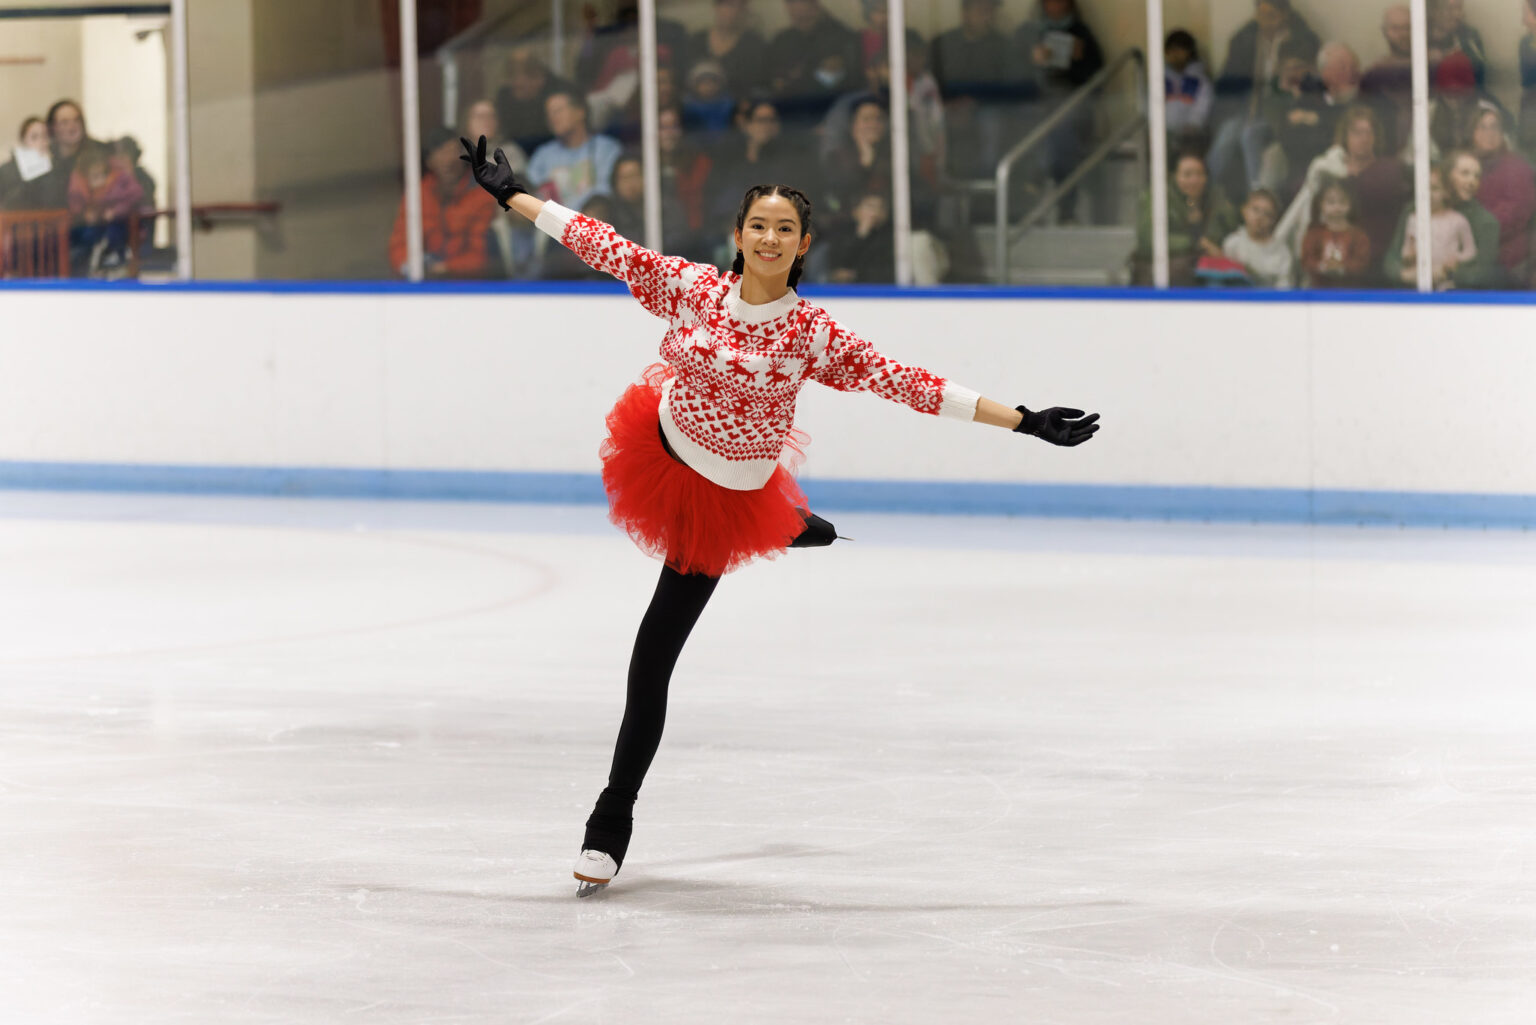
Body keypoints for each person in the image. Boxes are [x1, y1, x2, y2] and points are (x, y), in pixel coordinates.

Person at [457, 134, 1100, 897]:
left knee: (658, 646)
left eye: (785, 228)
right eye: (758, 224)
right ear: (739, 234)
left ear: (803, 245)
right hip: (666, 456)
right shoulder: (690, 287)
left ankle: (613, 811)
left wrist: (1022, 419)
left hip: (730, 496)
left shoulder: (812, 334)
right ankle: (784, 531)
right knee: (670, 636)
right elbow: (605, 245)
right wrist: (512, 196)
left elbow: (909, 382)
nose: (769, 237)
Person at [1276, 105, 1410, 272]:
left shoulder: (1388, 168)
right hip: (1327, 256)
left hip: (1373, 259)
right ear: (1345, 136)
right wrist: (1321, 171)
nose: (1364, 138)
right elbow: (1302, 189)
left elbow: (1372, 191)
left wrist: (1337, 178)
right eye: (1357, 132)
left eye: (1369, 132)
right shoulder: (1330, 165)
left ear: (1376, 137)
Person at [1208, 0, 1320, 199]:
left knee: (1250, 136)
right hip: (1247, 105)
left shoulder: (1302, 40)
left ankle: (1256, 198)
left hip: (1280, 107)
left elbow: (1306, 82)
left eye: (1271, 16)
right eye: (1260, 15)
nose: (1264, 22)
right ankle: (1205, 192)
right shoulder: (1244, 39)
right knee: (1225, 138)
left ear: (1285, 15)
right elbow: (1229, 82)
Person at [1016, 0, 1104, 223]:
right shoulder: (1028, 32)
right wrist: (1031, 60)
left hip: (1070, 106)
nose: (1055, 5)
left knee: (1062, 134)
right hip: (1032, 105)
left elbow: (1096, 80)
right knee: (1056, 138)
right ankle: (1062, 210)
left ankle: (1039, 176)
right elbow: (1007, 72)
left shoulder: (1081, 33)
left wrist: (1078, 60)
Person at [387, 127, 497, 279]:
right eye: (440, 153)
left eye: (452, 152)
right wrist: (411, 265)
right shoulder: (419, 194)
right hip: (424, 280)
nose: (447, 160)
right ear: (429, 161)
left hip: (470, 283)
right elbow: (400, 243)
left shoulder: (481, 195)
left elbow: (481, 256)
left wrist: (446, 268)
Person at [1384, 149, 1501, 288]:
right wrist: (1406, 275)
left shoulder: (1486, 222)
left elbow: (1482, 274)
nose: (1472, 181)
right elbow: (1391, 261)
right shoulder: (1415, 210)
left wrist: (1445, 274)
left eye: (1477, 176)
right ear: (1446, 176)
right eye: (1465, 173)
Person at [929, 0, 1016, 182]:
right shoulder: (942, 43)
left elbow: (1010, 87)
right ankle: (936, 179)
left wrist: (976, 102)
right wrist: (949, 104)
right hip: (946, 106)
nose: (986, 16)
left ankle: (988, 180)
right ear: (965, 13)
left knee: (991, 119)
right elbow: (928, 83)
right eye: (980, 10)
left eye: (989, 10)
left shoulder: (1002, 45)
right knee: (930, 117)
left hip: (985, 107)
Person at [1132, 150, 1239, 286]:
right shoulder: (1158, 197)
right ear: (1174, 176)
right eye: (1187, 175)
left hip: (1206, 269)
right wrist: (1197, 243)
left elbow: (1230, 228)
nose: (1194, 180)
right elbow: (1148, 241)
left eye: (1199, 174)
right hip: (1165, 273)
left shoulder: (1215, 197)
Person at [1468, 105, 1536, 281]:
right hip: (1468, 257)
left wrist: (1473, 231)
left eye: (1494, 127)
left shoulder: (1517, 167)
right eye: (1482, 127)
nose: (1489, 133)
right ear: (1472, 133)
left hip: (1508, 262)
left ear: (1502, 133)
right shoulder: (1464, 165)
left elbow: (1515, 213)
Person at [525, 89, 622, 211]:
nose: (552, 117)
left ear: (580, 112)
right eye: (548, 113)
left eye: (558, 111)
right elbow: (530, 195)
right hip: (551, 221)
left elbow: (606, 193)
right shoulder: (542, 155)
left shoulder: (606, 148)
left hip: (593, 221)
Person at [1394, 166, 1476, 289]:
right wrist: (1409, 255)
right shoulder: (1413, 219)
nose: (1429, 194)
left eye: (1435, 188)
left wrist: (1457, 259)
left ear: (1446, 192)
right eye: (1424, 188)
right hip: (1419, 280)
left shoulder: (1457, 220)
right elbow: (1406, 247)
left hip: (1446, 280)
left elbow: (1470, 251)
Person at [66, 144, 144, 273]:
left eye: (101, 174)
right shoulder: (83, 187)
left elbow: (135, 195)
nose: (99, 179)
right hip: (99, 224)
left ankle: (116, 257)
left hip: (122, 223)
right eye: (94, 176)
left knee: (114, 233)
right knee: (87, 235)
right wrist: (88, 214)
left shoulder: (120, 180)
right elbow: (79, 205)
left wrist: (116, 212)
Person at [494, 47, 576, 157]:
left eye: (522, 77)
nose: (516, 83)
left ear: (539, 77)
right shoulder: (505, 97)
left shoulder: (561, 92)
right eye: (512, 75)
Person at [1360, 4, 1415, 156]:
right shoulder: (1374, 74)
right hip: (1386, 154)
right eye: (1396, 28)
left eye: (1408, 27)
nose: (1403, 34)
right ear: (1385, 32)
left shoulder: (1433, 67)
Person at [1300, 176, 1372, 288]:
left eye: (1342, 202)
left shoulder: (1358, 235)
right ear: (1321, 204)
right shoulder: (1314, 234)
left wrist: (1342, 267)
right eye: (1331, 202)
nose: (1337, 207)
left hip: (1350, 291)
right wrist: (1322, 266)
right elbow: (1306, 260)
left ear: (1351, 204)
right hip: (1318, 291)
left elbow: (1363, 263)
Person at [686, 0, 768, 98]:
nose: (733, 12)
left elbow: (757, 86)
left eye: (739, 7)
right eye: (729, 5)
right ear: (717, 7)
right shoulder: (697, 41)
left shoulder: (754, 44)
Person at [1222, 188, 1293, 288]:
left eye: (1267, 214)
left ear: (1274, 220)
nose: (1260, 217)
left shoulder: (1282, 253)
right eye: (1255, 210)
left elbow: (1285, 288)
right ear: (1244, 210)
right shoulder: (1233, 244)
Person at [1163, 30, 1214, 162]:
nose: (1175, 54)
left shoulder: (1200, 80)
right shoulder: (1160, 79)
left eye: (1179, 50)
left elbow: (1204, 105)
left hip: (1192, 133)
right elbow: (1149, 105)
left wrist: (1193, 124)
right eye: (1171, 50)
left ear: (1189, 52)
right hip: (1164, 132)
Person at [827, 190, 895, 283]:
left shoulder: (892, 236)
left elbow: (888, 271)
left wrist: (858, 275)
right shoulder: (841, 235)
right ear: (855, 211)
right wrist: (861, 235)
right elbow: (839, 268)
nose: (876, 212)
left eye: (881, 208)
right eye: (870, 207)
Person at [0, 116, 54, 210]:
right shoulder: (6, 171)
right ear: (23, 141)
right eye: (34, 137)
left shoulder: (56, 168)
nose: (41, 142)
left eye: (45, 136)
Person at [1521, 1, 1536, 159]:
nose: (1523, 20)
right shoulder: (1525, 44)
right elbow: (1527, 80)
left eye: (1526, 13)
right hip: (1531, 105)